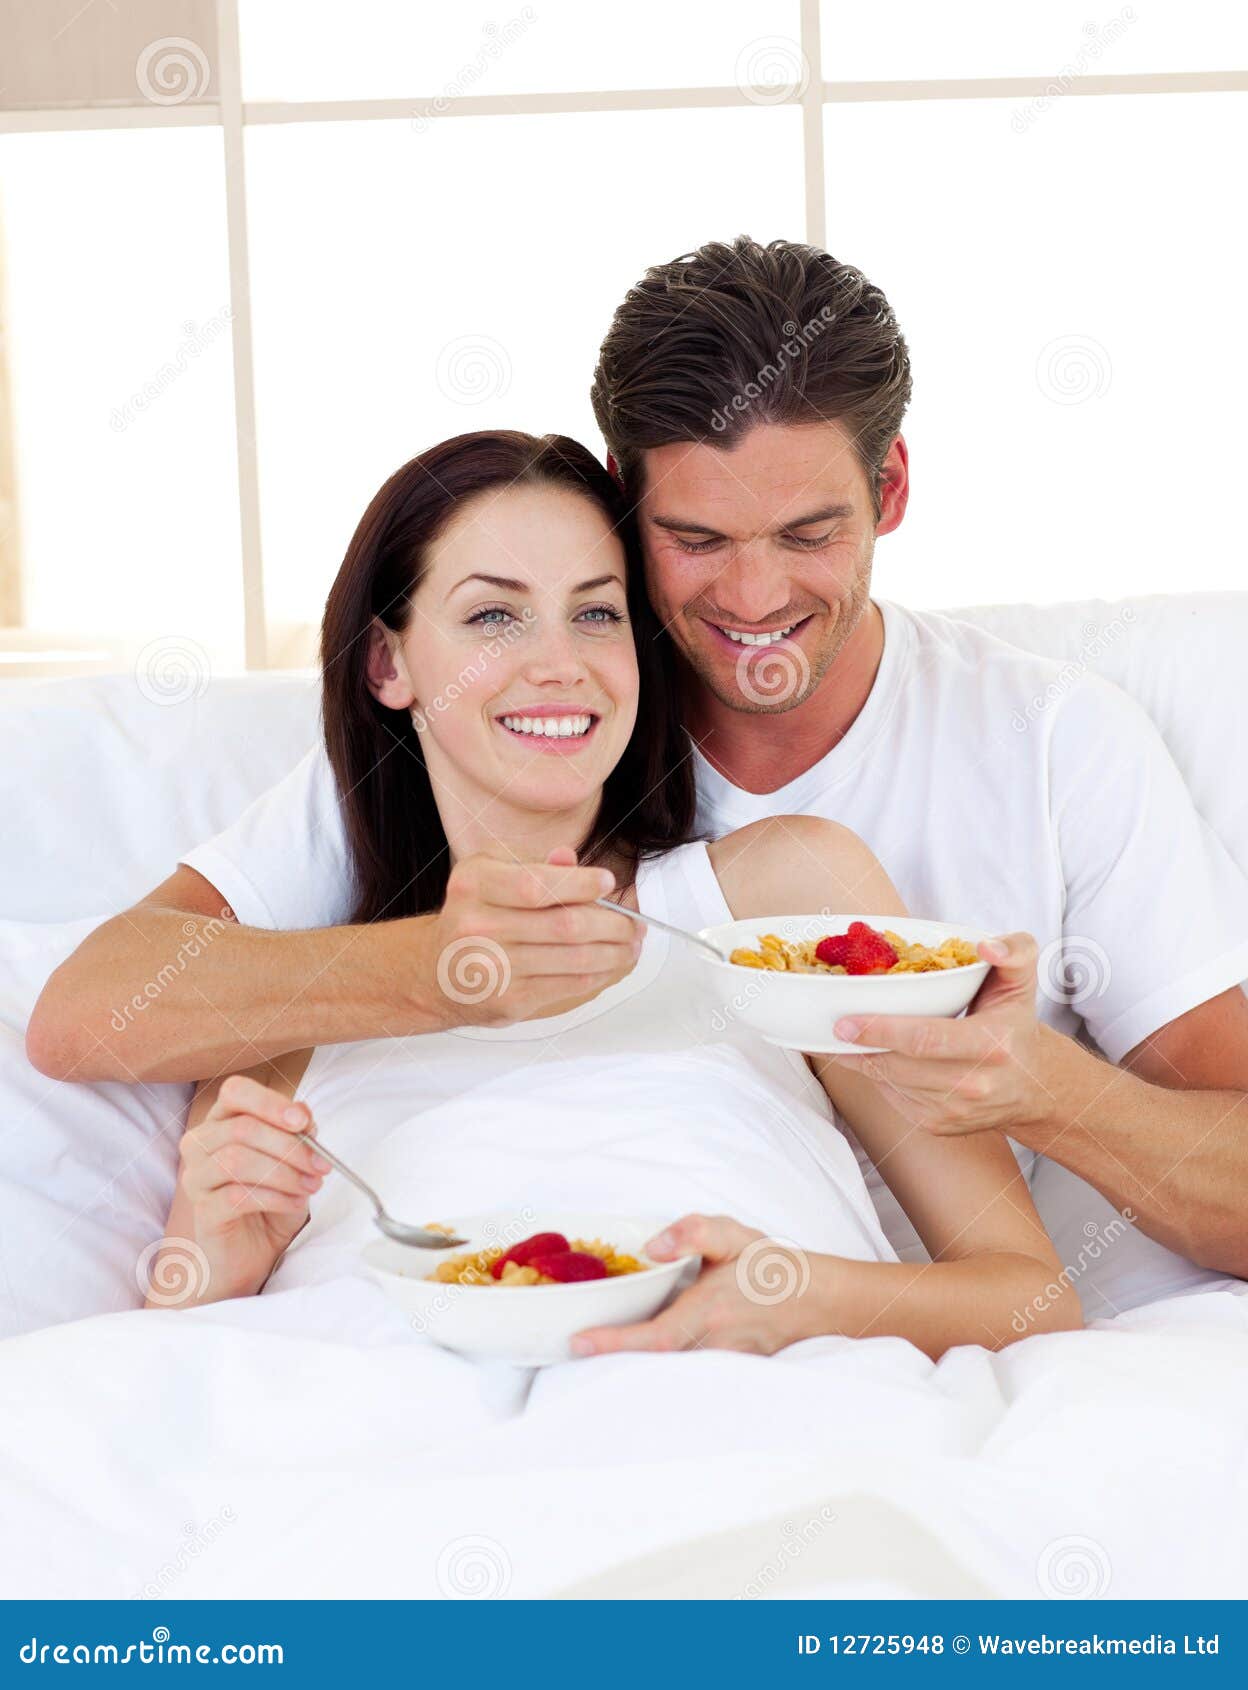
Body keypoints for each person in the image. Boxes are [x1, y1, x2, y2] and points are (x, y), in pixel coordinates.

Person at [28, 237, 1248, 1312]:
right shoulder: (514, 732)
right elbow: (94, 1009)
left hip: (819, 1302)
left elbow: (1083, 1260)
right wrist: (445, 969)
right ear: (622, 503)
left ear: (891, 491)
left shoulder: (1049, 742)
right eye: (697, 539)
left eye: (811, 534)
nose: (757, 598)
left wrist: (1043, 1091)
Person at [140, 428, 1077, 1358]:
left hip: (759, 1415)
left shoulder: (774, 900)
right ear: (388, 664)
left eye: (597, 613)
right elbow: (180, 1372)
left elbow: (1026, 1297)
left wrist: (802, 1296)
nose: (559, 663)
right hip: (388, 1427)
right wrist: (222, 1264)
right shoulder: (290, 1005)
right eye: (494, 617)